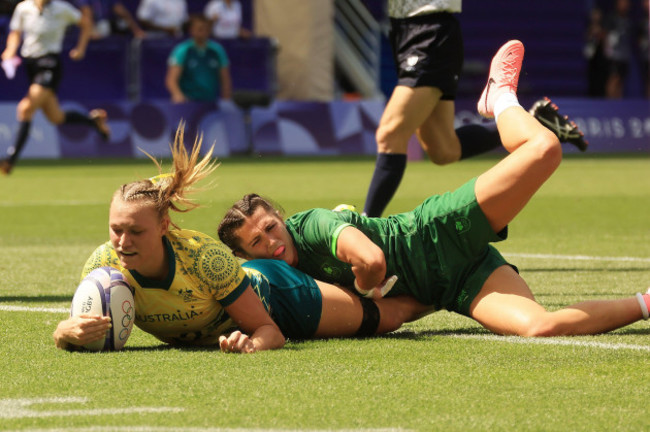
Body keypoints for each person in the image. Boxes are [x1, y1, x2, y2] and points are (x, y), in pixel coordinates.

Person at [219, 40, 650, 338]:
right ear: (247, 256)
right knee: (540, 326)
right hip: (455, 283)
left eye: (271, 227)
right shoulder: (286, 282)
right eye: (257, 241)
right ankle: (646, 301)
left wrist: (367, 284)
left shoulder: (310, 226)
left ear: (280, 217)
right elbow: (392, 316)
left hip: (440, 230)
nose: (272, 242)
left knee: (545, 149)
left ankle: (500, 97)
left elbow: (370, 260)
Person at [52, 126, 429, 354]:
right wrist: (63, 332)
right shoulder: (102, 267)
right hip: (250, 297)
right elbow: (75, 332)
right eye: (115, 228)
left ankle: (443, 288)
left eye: (136, 231)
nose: (122, 241)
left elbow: (271, 332)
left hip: (277, 294)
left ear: (164, 225)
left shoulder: (205, 259)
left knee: (387, 318)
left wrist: (252, 344)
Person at [363, 0, 588, 218]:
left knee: (390, 133)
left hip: (430, 31)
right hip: (403, 31)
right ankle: (534, 123)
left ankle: (365, 223)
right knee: (443, 150)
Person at [0, 0, 110, 175]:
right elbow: (15, 32)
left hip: (50, 63)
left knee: (26, 108)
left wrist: (81, 48)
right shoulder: (23, 8)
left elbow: (86, 23)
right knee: (55, 117)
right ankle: (93, 121)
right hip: (31, 64)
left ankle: (9, 160)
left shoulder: (62, 8)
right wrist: (10, 50)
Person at [165, 14, 232, 104]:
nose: (204, 32)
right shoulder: (182, 50)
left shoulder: (217, 50)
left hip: (211, 103)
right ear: (191, 30)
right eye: (200, 29)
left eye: (207, 29)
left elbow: (225, 80)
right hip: (188, 103)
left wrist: (226, 101)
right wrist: (177, 95)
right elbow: (171, 80)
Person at [70, 0, 145, 39]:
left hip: (102, 31)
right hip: (81, 35)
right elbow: (86, 13)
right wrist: (92, 31)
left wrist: (136, 30)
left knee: (119, 25)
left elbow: (121, 11)